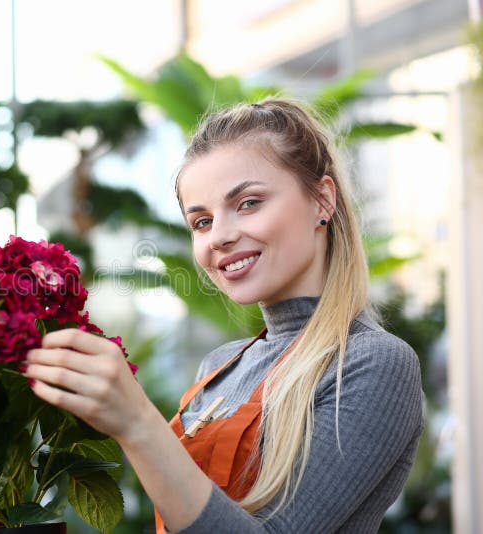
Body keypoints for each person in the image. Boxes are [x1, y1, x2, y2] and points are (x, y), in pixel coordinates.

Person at [23, 98, 424, 533]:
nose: (221, 236)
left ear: (322, 200)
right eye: (201, 222)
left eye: (249, 203)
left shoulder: (374, 363)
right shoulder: (218, 368)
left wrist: (138, 424)